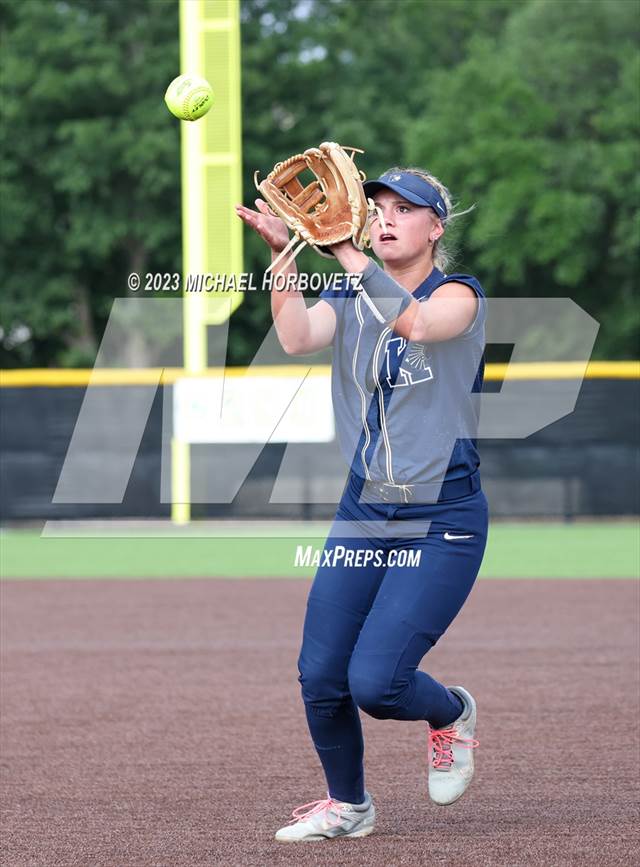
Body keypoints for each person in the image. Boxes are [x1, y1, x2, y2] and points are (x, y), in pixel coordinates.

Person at [235, 166, 488, 842]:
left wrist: (345, 248)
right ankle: (348, 806)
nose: (384, 216)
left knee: (377, 683)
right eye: (376, 206)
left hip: (442, 521)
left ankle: (453, 711)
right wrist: (281, 254)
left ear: (437, 227)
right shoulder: (351, 292)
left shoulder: (459, 295)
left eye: (405, 208)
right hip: (364, 512)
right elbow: (295, 337)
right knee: (320, 674)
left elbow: (418, 321)